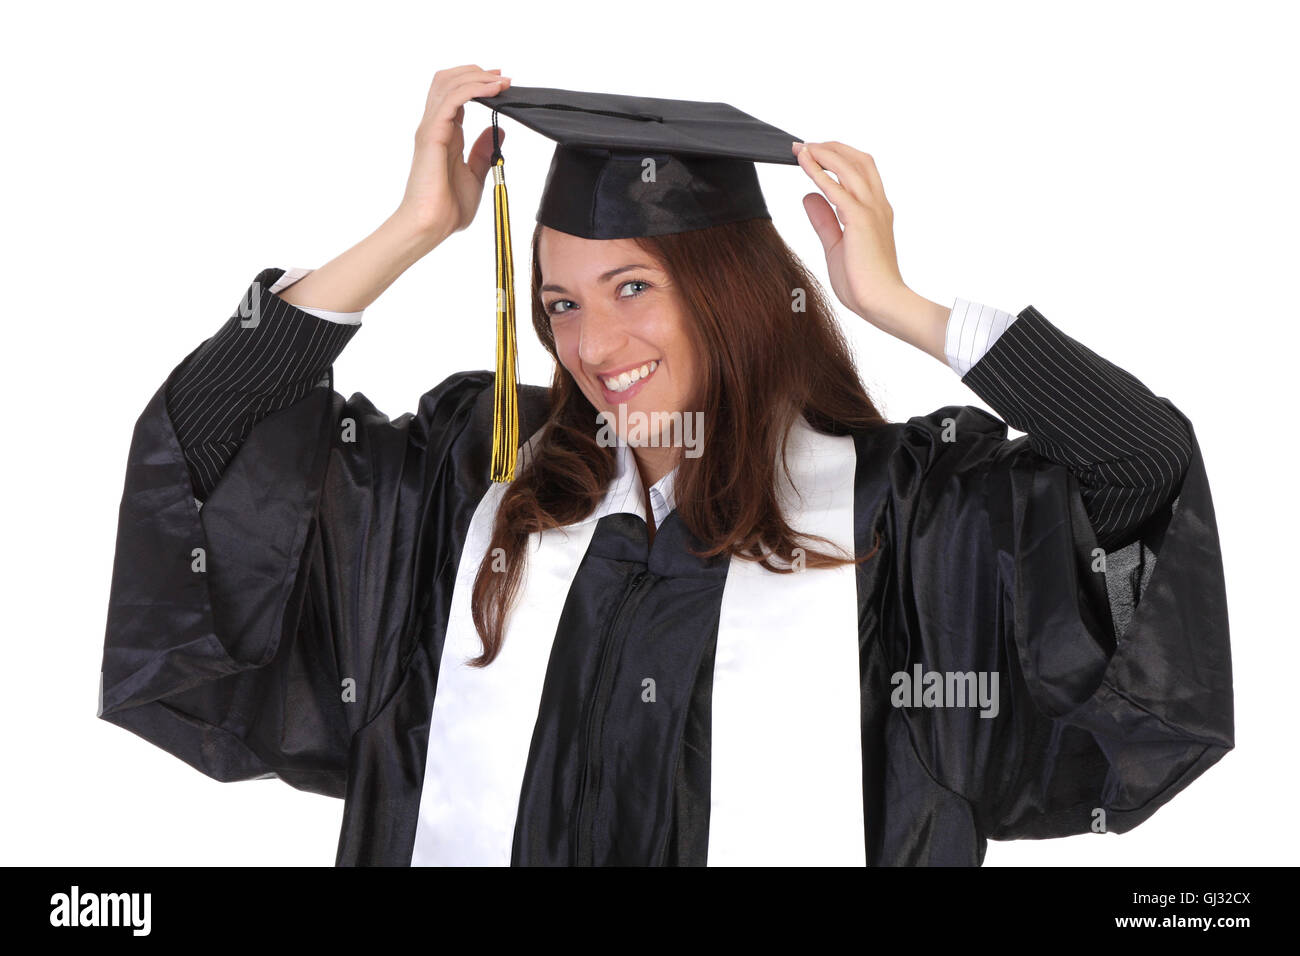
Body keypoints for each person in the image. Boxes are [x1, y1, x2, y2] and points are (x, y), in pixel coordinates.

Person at [98, 66, 1233, 866]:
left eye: (633, 287)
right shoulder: (467, 484)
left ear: (732, 287)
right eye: (561, 302)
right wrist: (408, 228)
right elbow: (207, 438)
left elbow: (1142, 467)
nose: (593, 345)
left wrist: (908, 307)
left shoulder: (907, 520)